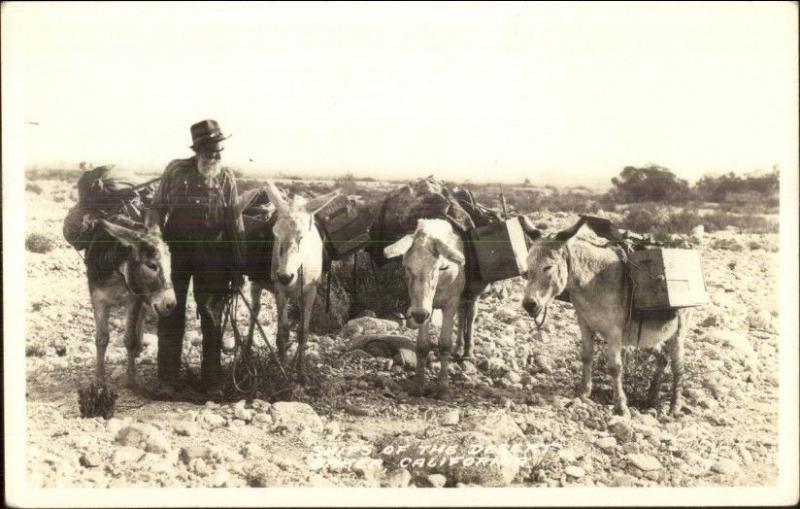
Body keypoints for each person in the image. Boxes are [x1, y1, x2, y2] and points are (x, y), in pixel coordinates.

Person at [146, 119, 245, 398]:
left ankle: (212, 383)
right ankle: (167, 381)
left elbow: (235, 223)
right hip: (176, 254)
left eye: (219, 151)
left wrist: (237, 267)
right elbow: (156, 207)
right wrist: (154, 231)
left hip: (213, 256)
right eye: (210, 151)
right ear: (198, 150)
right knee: (170, 314)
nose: (215, 157)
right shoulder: (176, 171)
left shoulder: (227, 178)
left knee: (212, 317)